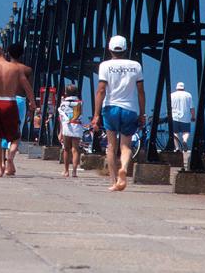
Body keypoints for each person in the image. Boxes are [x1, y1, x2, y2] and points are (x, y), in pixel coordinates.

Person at [91, 35, 146, 192]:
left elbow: (101, 90)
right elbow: (141, 92)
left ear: (109, 49)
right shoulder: (135, 66)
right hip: (130, 109)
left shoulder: (105, 66)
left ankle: (114, 181)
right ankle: (124, 168)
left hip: (111, 108)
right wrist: (142, 113)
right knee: (126, 146)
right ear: (125, 49)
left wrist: (96, 115)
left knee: (111, 146)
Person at [0, 47, 36, 177]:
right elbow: (28, 87)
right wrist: (32, 103)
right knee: (15, 134)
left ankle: (0, 167)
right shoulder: (22, 69)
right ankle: (10, 159)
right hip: (13, 101)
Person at [8, 43, 33, 140]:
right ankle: (13, 147)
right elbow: (29, 89)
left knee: (4, 127)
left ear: (8, 53)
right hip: (20, 100)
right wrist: (32, 105)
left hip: (5, 99)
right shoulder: (27, 69)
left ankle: (4, 148)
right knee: (17, 129)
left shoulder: (4, 68)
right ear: (22, 54)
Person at [58, 84, 84, 177]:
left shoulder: (63, 103)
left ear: (66, 92)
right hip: (77, 126)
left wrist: (60, 132)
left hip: (67, 126)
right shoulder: (80, 103)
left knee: (66, 149)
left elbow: (61, 118)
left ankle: (66, 171)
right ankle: (74, 172)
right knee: (75, 149)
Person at [170, 82, 195, 151]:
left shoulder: (172, 95)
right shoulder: (188, 95)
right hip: (185, 117)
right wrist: (193, 116)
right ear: (183, 88)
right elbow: (192, 108)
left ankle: (177, 147)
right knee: (186, 132)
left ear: (176, 87)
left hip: (174, 116)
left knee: (175, 132)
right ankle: (184, 140)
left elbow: (170, 107)